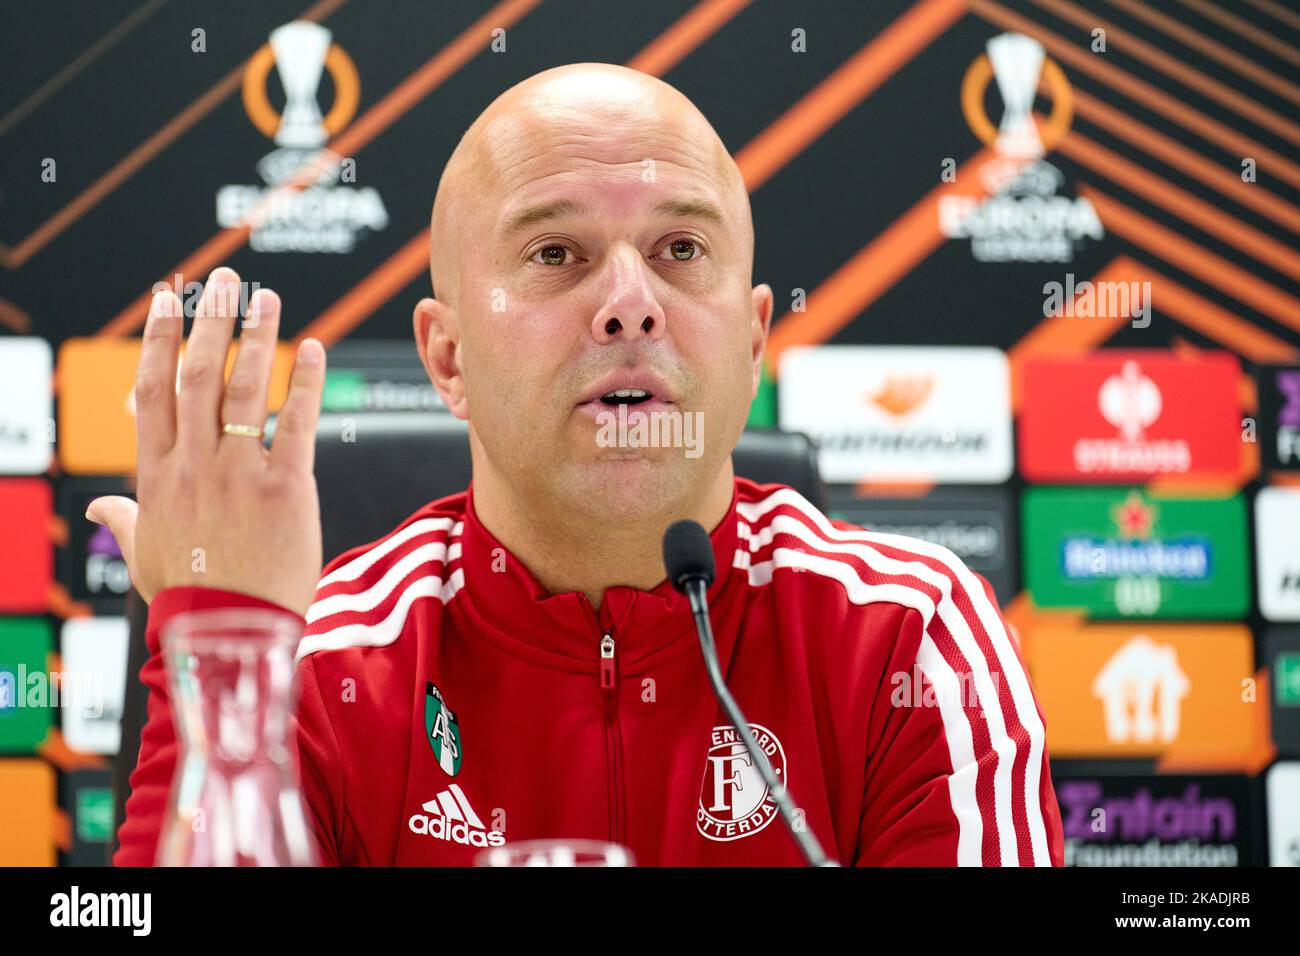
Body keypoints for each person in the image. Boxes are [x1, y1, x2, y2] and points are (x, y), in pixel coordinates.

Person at [91, 62, 1064, 866]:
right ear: (447, 357)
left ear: (754, 339)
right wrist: (226, 655)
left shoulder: (909, 637)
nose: (630, 303)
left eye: (681, 247)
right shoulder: (322, 666)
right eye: (556, 252)